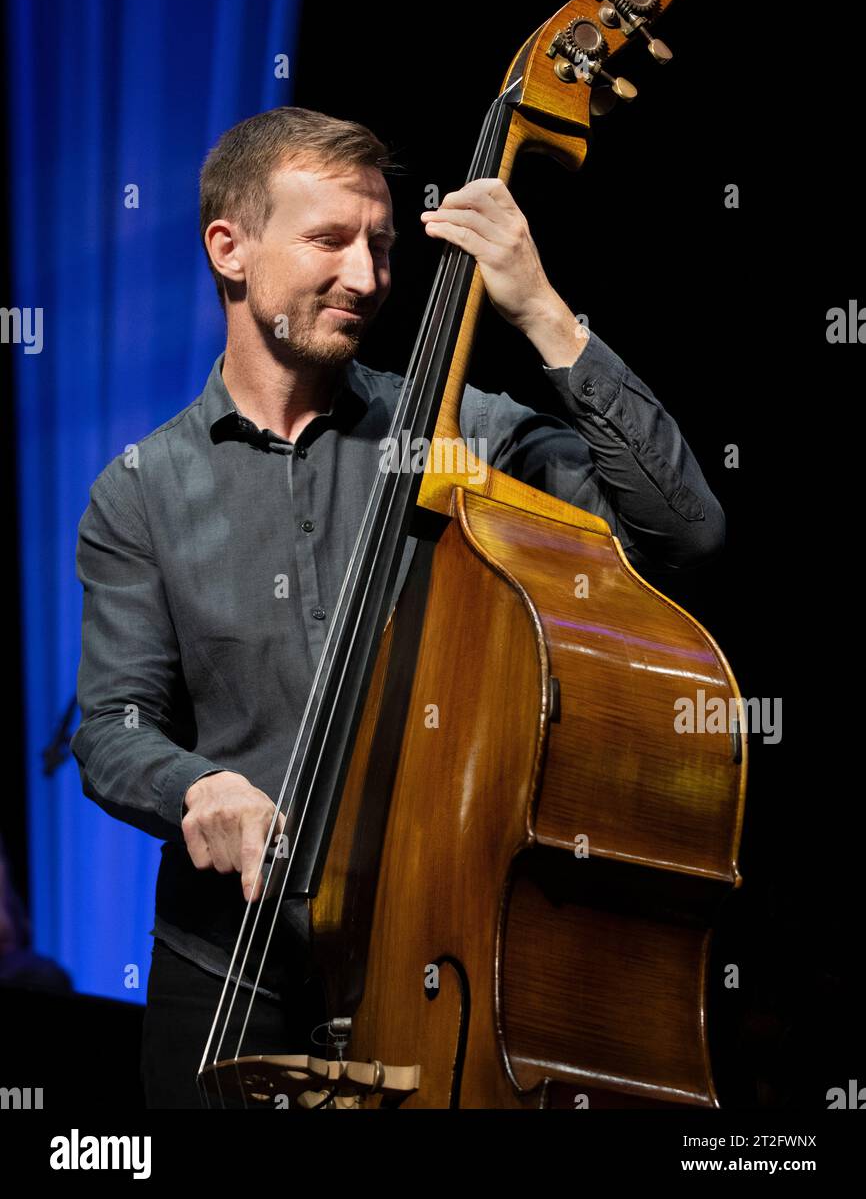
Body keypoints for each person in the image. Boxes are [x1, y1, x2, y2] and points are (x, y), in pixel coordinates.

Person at [71, 106, 725, 1108]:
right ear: (229, 247)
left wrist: (544, 312)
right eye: (330, 240)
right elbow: (111, 728)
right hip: (225, 977)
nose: (371, 277)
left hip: (439, 964)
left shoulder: (467, 441)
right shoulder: (141, 489)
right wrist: (196, 787)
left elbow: (683, 530)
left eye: (380, 244)